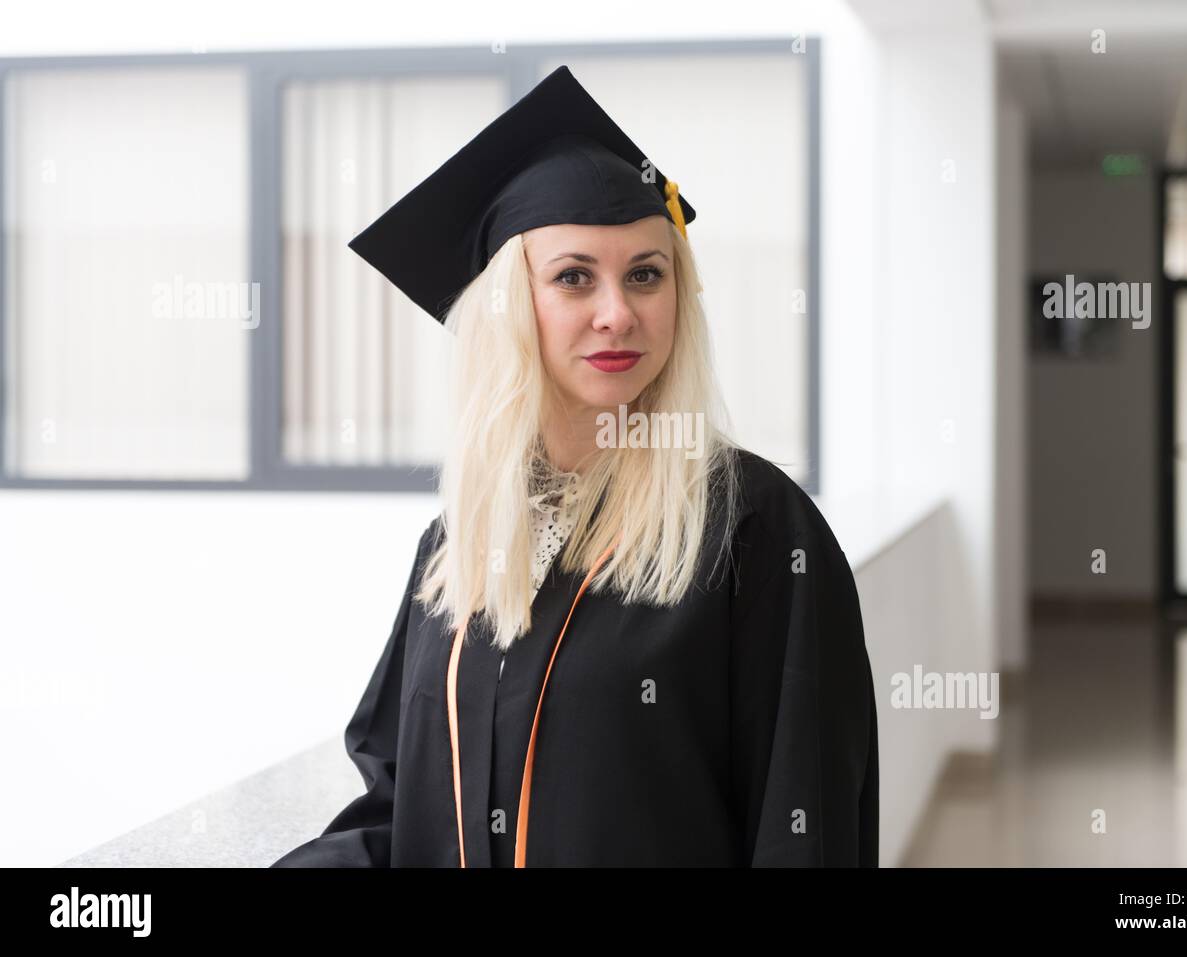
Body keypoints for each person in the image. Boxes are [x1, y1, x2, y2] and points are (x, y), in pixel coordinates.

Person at [271, 64, 878, 868]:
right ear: (508, 308)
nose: (617, 312)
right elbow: (402, 809)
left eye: (645, 274)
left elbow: (805, 826)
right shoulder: (459, 543)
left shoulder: (754, 528)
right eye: (573, 277)